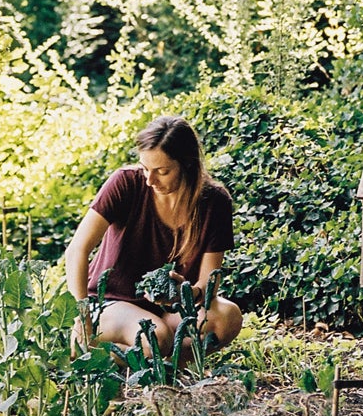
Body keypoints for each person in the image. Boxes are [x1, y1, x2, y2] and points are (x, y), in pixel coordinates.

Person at [64, 115, 243, 360]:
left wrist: (190, 294)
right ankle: (85, 356)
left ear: (187, 165)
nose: (150, 180)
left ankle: (162, 367)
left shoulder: (215, 202)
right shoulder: (125, 183)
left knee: (226, 317)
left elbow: (208, 283)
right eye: (146, 168)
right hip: (111, 302)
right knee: (154, 337)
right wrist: (81, 312)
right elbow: (77, 250)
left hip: (166, 310)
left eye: (162, 171)